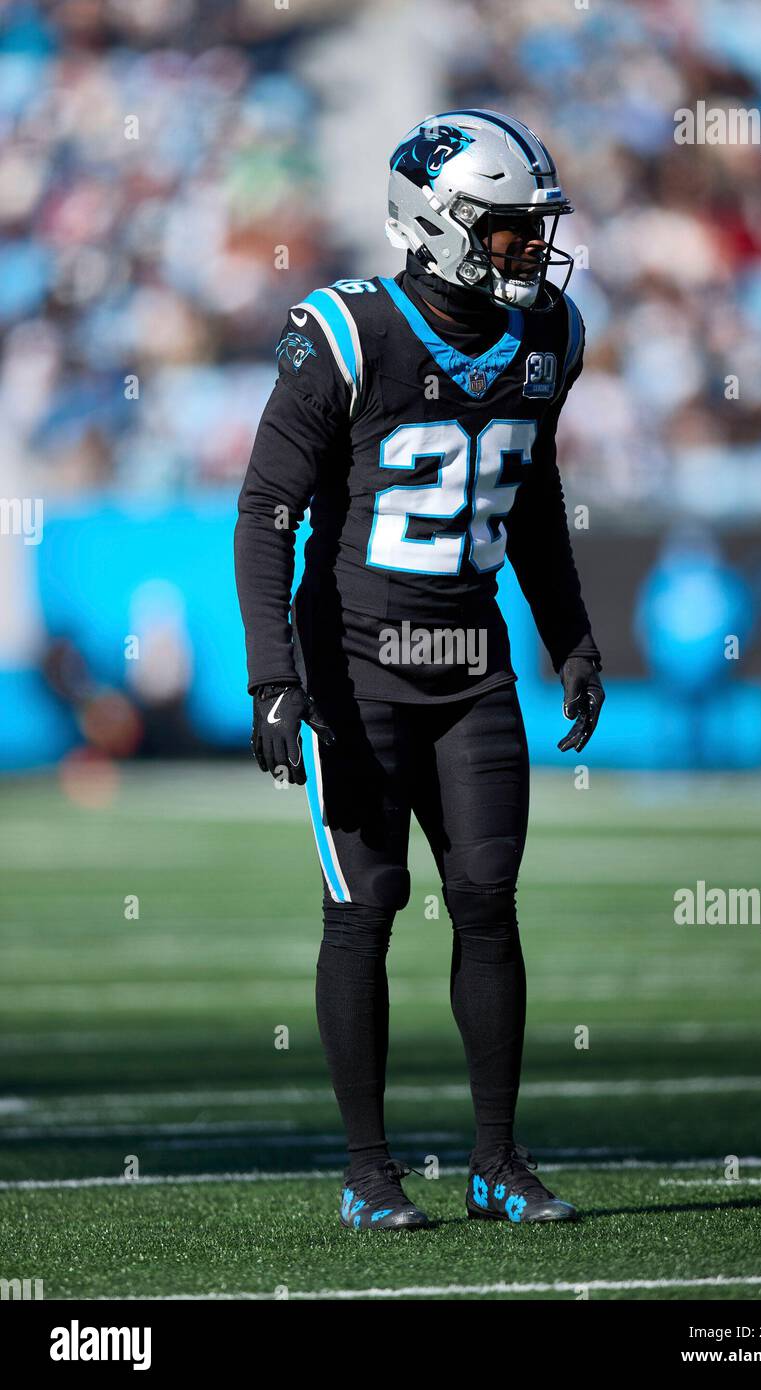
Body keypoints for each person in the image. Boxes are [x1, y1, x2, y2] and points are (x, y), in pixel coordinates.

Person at [234, 110, 604, 1230]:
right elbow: (267, 511)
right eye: (504, 231)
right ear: (436, 225)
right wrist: (271, 676)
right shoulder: (346, 333)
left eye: (531, 229)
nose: (528, 252)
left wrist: (567, 632)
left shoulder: (548, 336)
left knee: (487, 902)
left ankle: (497, 1159)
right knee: (368, 908)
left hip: (471, 667)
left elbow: (529, 488)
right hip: (355, 666)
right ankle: (367, 1171)